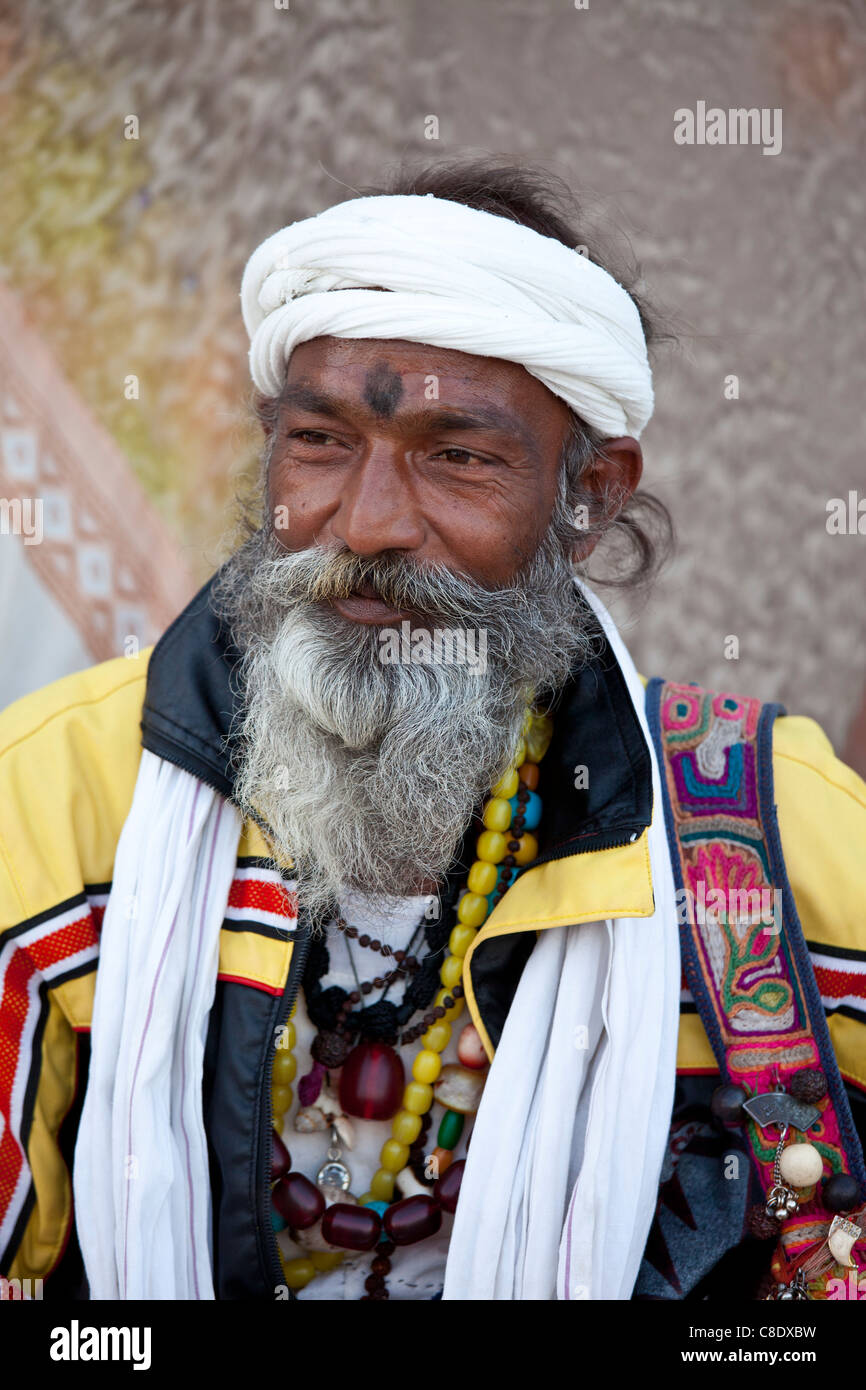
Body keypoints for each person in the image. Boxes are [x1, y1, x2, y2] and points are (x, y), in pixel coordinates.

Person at [1, 159, 864, 1303]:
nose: (365, 522)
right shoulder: (56, 804)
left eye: (457, 456)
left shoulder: (764, 842)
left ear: (588, 497)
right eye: (319, 441)